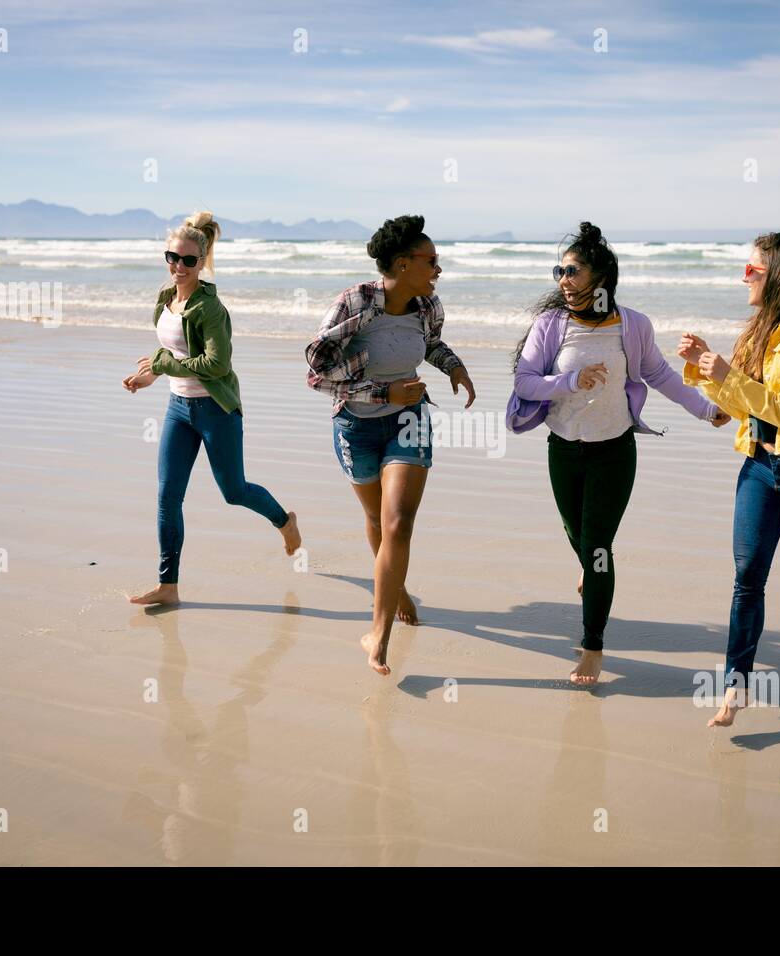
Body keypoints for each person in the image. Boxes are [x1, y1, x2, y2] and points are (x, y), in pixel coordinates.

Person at [508, 222, 730, 686]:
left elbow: (662, 376)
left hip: (615, 452)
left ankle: (592, 646)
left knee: (597, 548)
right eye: (558, 271)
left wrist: (708, 409)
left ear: (601, 277)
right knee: (578, 536)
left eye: (572, 271)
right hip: (564, 451)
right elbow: (524, 382)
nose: (562, 280)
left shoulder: (632, 326)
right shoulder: (550, 326)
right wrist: (570, 381)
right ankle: (590, 575)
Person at [677, 232, 780, 727]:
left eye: (752, 270)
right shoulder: (758, 329)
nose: (743, 277)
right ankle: (735, 685)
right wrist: (703, 367)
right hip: (758, 468)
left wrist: (727, 372)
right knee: (747, 575)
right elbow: (737, 407)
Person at [306, 214, 476, 675]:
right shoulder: (355, 302)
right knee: (374, 517)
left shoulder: (428, 306)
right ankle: (395, 586)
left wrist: (453, 366)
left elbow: (433, 343)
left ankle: (377, 634)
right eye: (431, 261)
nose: (438, 269)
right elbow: (316, 370)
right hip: (355, 426)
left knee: (398, 522)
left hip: (408, 419)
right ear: (402, 264)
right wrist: (382, 392)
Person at [124, 211, 301, 606]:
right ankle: (168, 585)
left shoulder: (211, 309)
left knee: (233, 492)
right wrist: (149, 376)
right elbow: (170, 352)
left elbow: (216, 365)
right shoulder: (165, 298)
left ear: (202, 262)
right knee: (168, 496)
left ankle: (284, 521)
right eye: (173, 257)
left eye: (188, 260)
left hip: (216, 411)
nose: (179, 266)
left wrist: (163, 365)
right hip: (177, 410)